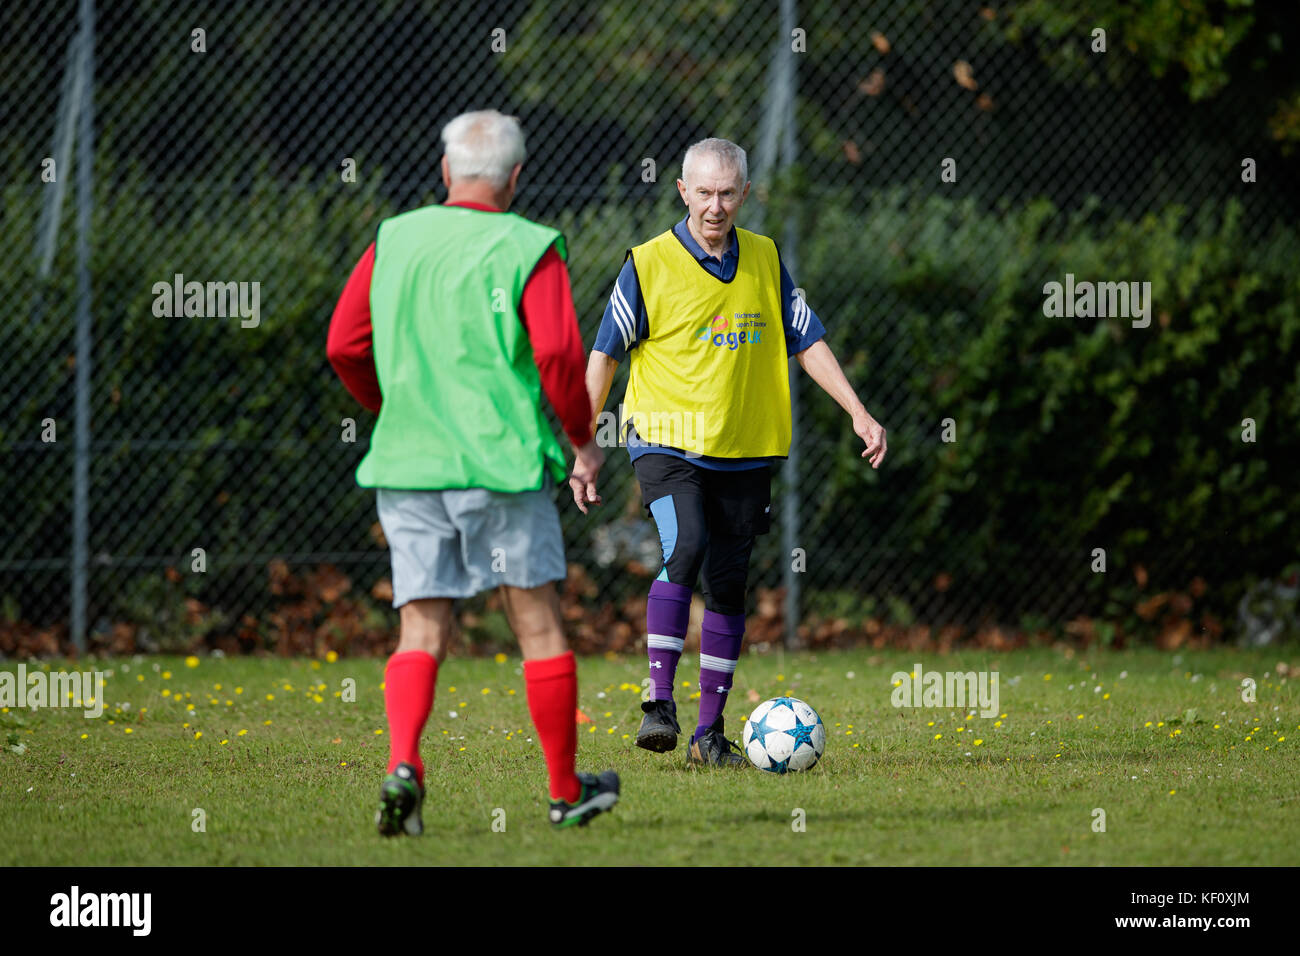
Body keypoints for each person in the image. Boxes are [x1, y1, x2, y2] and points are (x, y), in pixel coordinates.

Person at [328, 109, 617, 833]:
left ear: (445, 171)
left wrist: (393, 407)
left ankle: (403, 766)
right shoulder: (529, 246)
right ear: (516, 178)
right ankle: (562, 791)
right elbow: (555, 357)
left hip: (410, 462)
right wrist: (581, 438)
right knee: (538, 627)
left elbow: (343, 345)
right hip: (503, 463)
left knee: (421, 627)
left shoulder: (393, 238)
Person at [579, 137, 886, 767]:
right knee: (685, 545)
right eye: (704, 192)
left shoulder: (767, 260)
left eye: (727, 193)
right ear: (682, 191)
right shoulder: (647, 263)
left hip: (746, 450)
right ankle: (658, 703)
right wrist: (585, 444)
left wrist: (858, 411)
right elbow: (604, 356)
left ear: (744, 194)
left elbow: (809, 340)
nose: (715, 206)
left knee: (728, 587)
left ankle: (709, 736)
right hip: (664, 443)